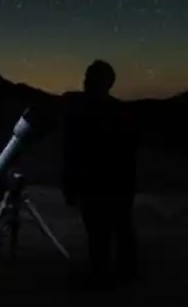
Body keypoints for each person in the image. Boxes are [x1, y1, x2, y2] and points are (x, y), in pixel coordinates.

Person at [61, 59, 138, 287]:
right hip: (115, 185)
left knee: (101, 233)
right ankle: (121, 274)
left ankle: (103, 276)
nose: (85, 82)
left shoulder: (81, 113)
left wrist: (70, 184)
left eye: (90, 78)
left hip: (98, 185)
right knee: (115, 231)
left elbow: (73, 151)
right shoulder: (120, 112)